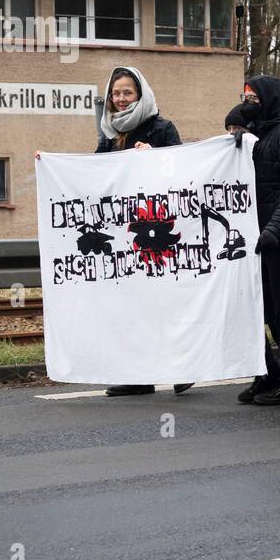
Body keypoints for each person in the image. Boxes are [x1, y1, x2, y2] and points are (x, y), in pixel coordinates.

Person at [90, 66, 190, 398]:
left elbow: (181, 174)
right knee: (132, 306)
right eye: (115, 93)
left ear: (140, 94)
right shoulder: (108, 134)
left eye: (127, 93)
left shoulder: (161, 128)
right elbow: (95, 174)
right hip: (124, 232)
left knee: (164, 302)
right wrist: (51, 163)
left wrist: (155, 158)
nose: (120, 99)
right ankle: (138, 376)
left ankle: (184, 367)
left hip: (157, 230)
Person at [226, 76, 280, 406]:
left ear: (271, 99)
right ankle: (267, 373)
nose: (247, 101)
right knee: (256, 310)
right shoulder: (253, 137)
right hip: (258, 241)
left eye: (254, 97)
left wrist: (273, 230)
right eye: (244, 95)